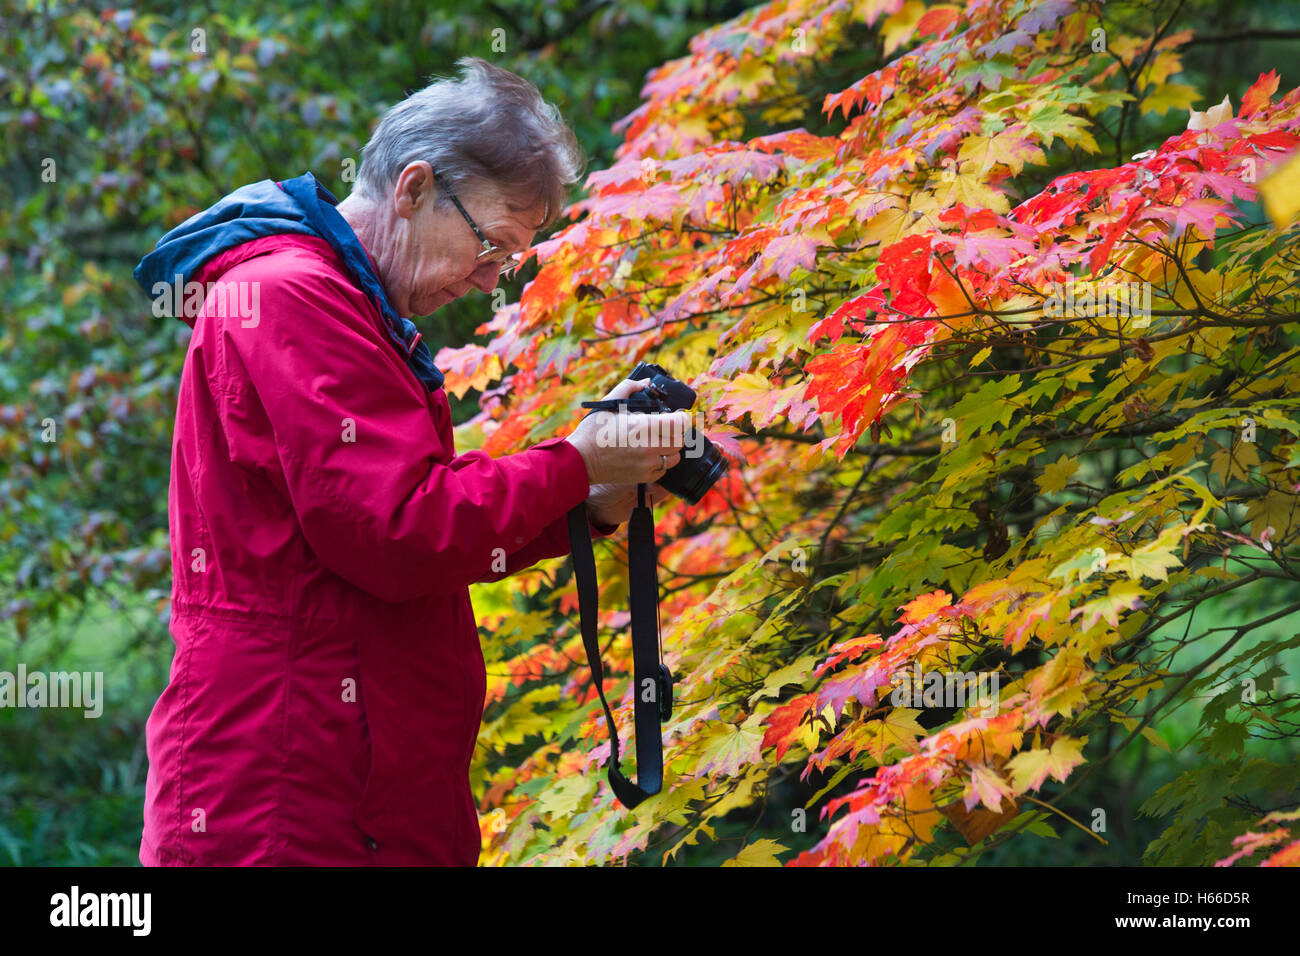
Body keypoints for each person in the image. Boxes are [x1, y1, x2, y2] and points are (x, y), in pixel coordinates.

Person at [131, 57, 688, 866]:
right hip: (286, 795)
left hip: (349, 780)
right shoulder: (294, 298)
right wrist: (571, 462)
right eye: (492, 244)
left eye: (510, 260)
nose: (491, 278)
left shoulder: (350, 307)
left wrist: (592, 503)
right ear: (415, 186)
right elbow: (396, 531)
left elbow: (405, 533)